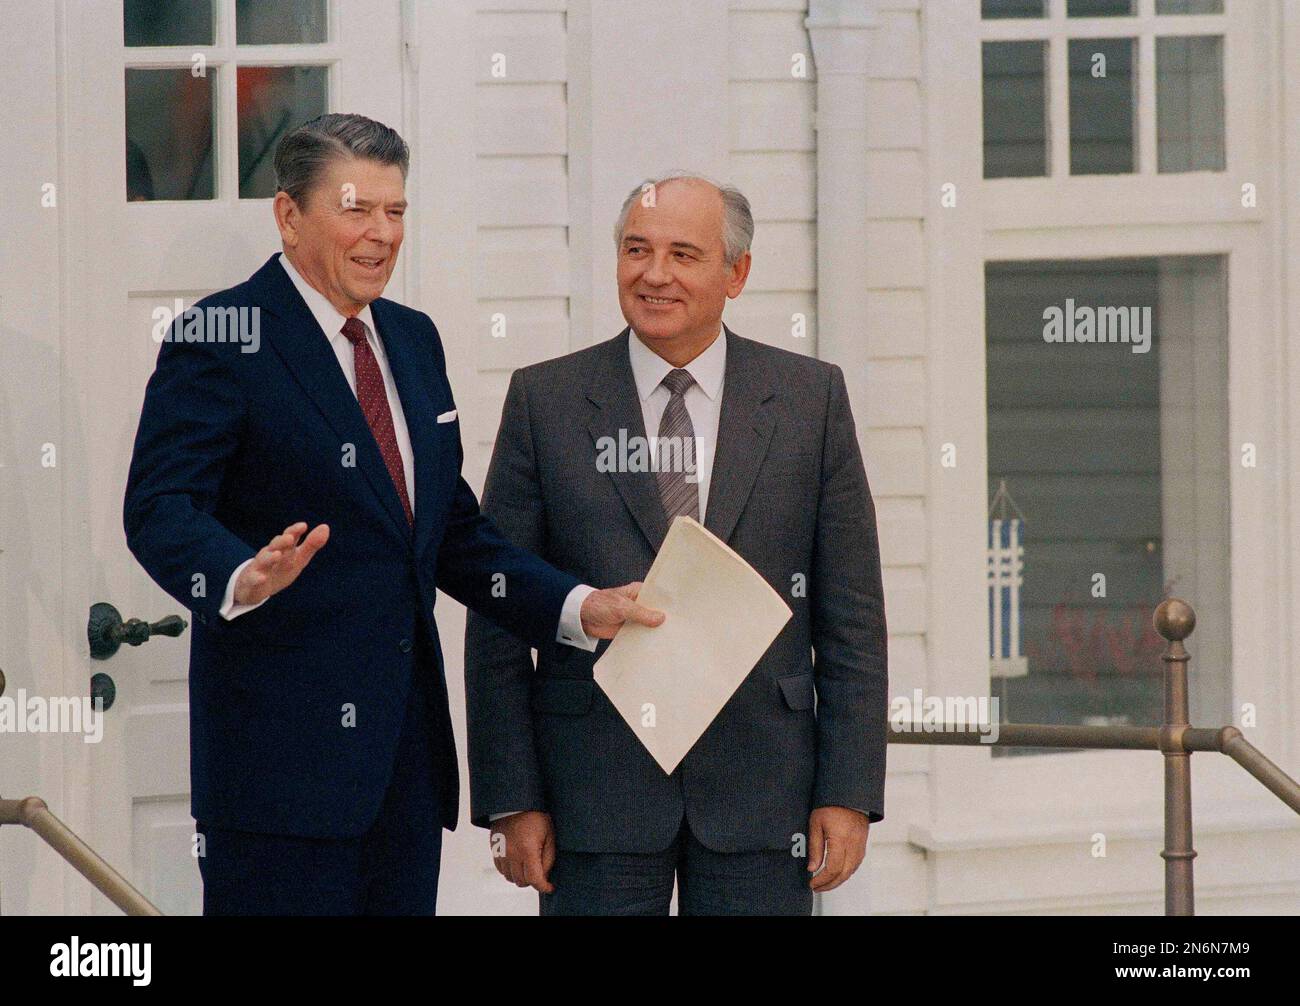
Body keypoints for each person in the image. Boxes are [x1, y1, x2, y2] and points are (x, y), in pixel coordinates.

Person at [123, 113, 660, 915]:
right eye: (356, 210)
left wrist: (581, 607)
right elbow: (160, 508)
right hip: (279, 784)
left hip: (404, 776)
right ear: (289, 215)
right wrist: (240, 575)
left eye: (396, 212)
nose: (381, 234)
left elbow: (451, 533)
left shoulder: (412, 340)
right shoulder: (218, 337)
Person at [465, 172, 888, 915]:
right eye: (636, 249)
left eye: (683, 255)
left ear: (737, 273)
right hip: (592, 797)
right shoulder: (546, 400)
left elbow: (852, 617)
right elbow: (499, 612)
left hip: (765, 795)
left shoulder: (809, 400)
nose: (653, 274)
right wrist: (511, 798)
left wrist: (849, 793)